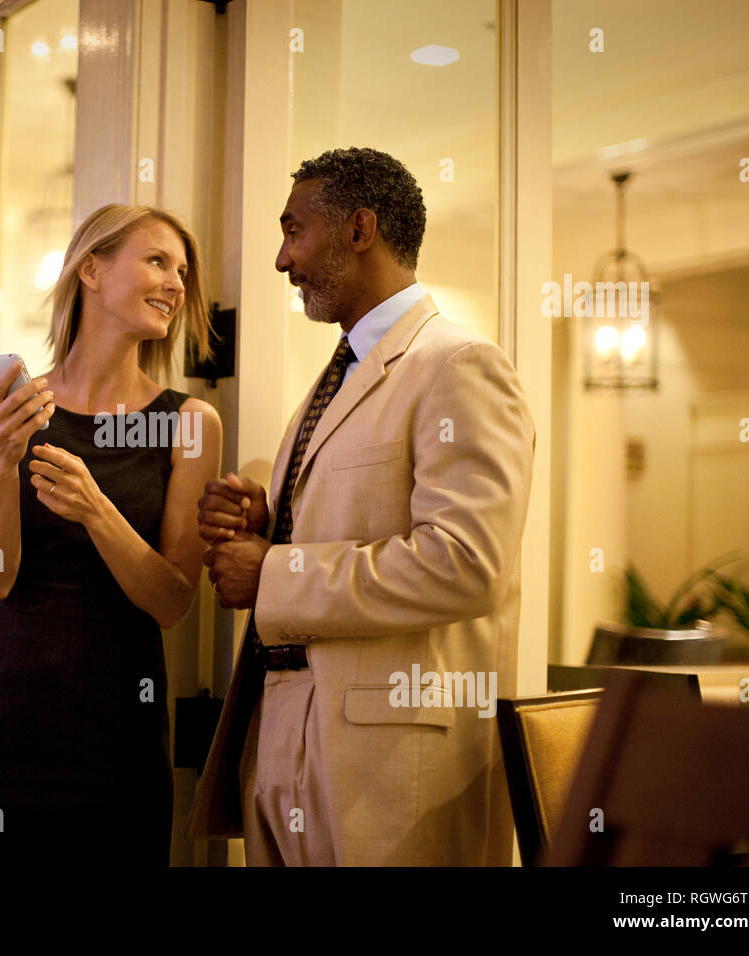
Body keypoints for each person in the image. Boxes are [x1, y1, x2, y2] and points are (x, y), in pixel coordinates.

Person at [189, 147, 535, 865]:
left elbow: (467, 564)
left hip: (389, 768)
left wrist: (273, 574)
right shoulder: (336, 373)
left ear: (359, 229)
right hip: (282, 735)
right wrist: (269, 517)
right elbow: (354, 524)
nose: (283, 261)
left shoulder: (460, 364)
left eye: (294, 231)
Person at [0, 204, 222, 865]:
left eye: (182, 270)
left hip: (118, 724)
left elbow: (174, 602)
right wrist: (6, 457)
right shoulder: (0, 407)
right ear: (92, 269)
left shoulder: (189, 423)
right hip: (2, 713)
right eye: (157, 261)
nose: (177, 282)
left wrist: (98, 510)